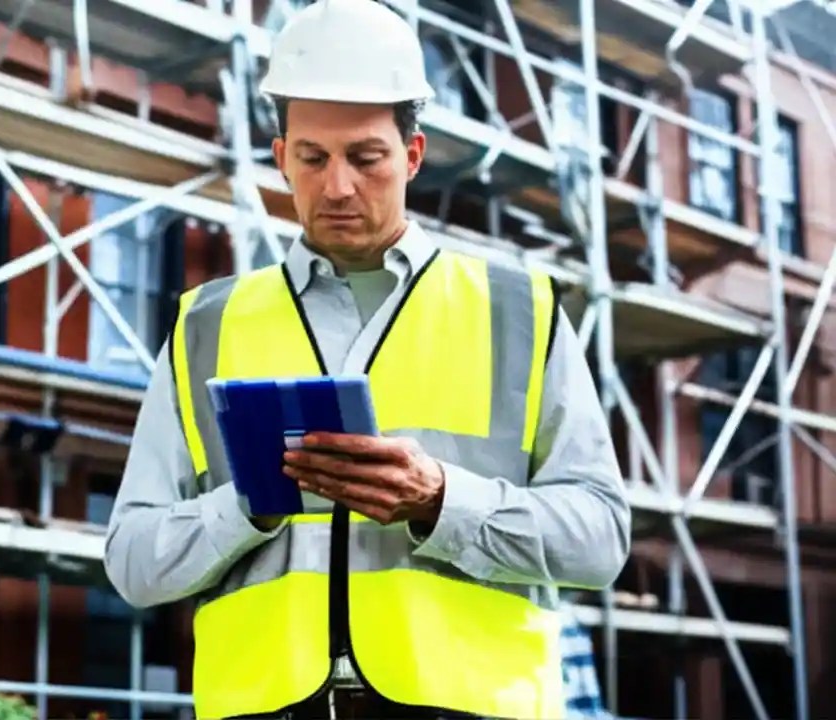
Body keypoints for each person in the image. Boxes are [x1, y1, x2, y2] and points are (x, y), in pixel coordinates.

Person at [103, 1, 631, 718]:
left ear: (412, 156)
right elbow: (132, 563)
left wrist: (442, 499)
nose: (338, 186)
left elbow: (600, 541)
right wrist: (248, 508)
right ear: (281, 155)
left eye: (366, 157)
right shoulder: (206, 324)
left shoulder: (520, 310)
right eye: (313, 159)